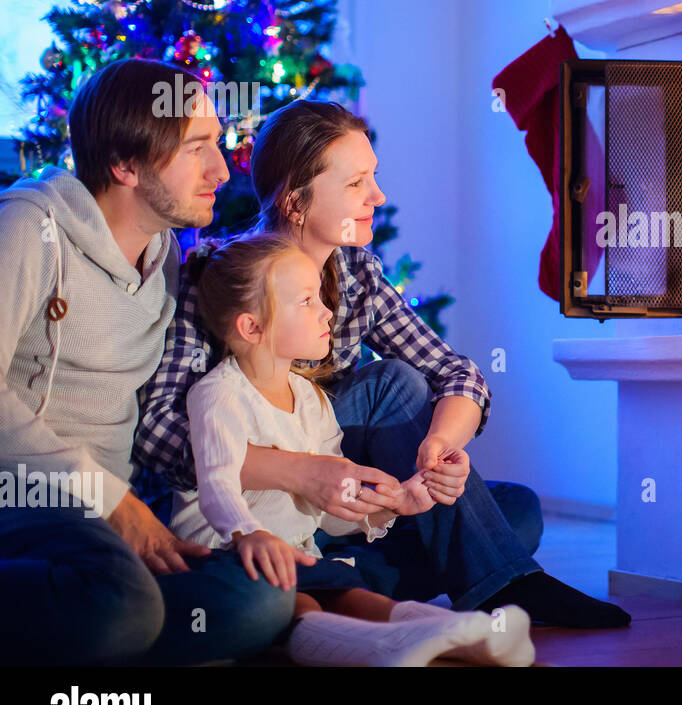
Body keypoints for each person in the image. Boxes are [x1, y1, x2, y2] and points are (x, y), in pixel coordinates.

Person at [137, 99, 630, 628]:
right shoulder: (216, 278)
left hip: (335, 508)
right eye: (355, 184)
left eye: (374, 177)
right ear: (295, 202)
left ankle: (320, 577)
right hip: (238, 503)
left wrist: (441, 448)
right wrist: (305, 472)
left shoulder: (357, 276)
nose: (378, 196)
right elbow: (157, 431)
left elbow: (458, 375)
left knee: (518, 512)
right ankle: (483, 581)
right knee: (393, 385)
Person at [0, 58, 294, 665]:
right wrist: (108, 499)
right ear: (125, 164)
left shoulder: (167, 261)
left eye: (219, 143)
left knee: (263, 597)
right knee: (125, 606)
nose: (222, 168)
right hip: (24, 504)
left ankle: (91, 632)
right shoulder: (30, 229)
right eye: (197, 148)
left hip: (107, 520)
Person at [176, 232, 534, 665]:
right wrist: (247, 533)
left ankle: (464, 634)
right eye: (307, 301)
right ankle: (388, 647)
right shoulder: (218, 395)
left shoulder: (311, 400)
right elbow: (216, 482)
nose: (327, 310)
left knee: (345, 592)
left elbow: (328, 507)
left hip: (298, 553)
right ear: (251, 327)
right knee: (301, 600)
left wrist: (395, 504)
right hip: (224, 549)